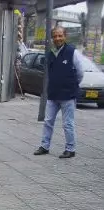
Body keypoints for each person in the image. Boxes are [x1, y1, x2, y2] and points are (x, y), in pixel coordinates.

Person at [34, 26, 84, 159]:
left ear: (65, 36)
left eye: (60, 35)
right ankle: (44, 146)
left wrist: (72, 85)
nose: (57, 38)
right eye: (55, 36)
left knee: (68, 123)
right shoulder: (51, 53)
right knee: (48, 121)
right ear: (52, 38)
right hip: (53, 94)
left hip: (68, 95)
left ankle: (70, 149)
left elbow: (80, 73)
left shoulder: (72, 52)